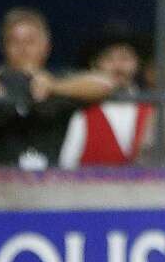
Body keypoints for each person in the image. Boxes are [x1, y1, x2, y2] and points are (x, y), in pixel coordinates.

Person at [0, 7, 114, 170]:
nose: (23, 49)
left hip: (50, 180)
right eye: (14, 42)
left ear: (46, 46)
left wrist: (54, 87)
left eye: (30, 41)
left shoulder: (58, 80)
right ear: (4, 47)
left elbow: (105, 84)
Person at [58, 25, 152, 168]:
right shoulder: (83, 117)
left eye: (125, 58)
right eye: (109, 58)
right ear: (95, 65)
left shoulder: (154, 111)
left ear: (137, 63)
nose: (117, 66)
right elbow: (66, 169)